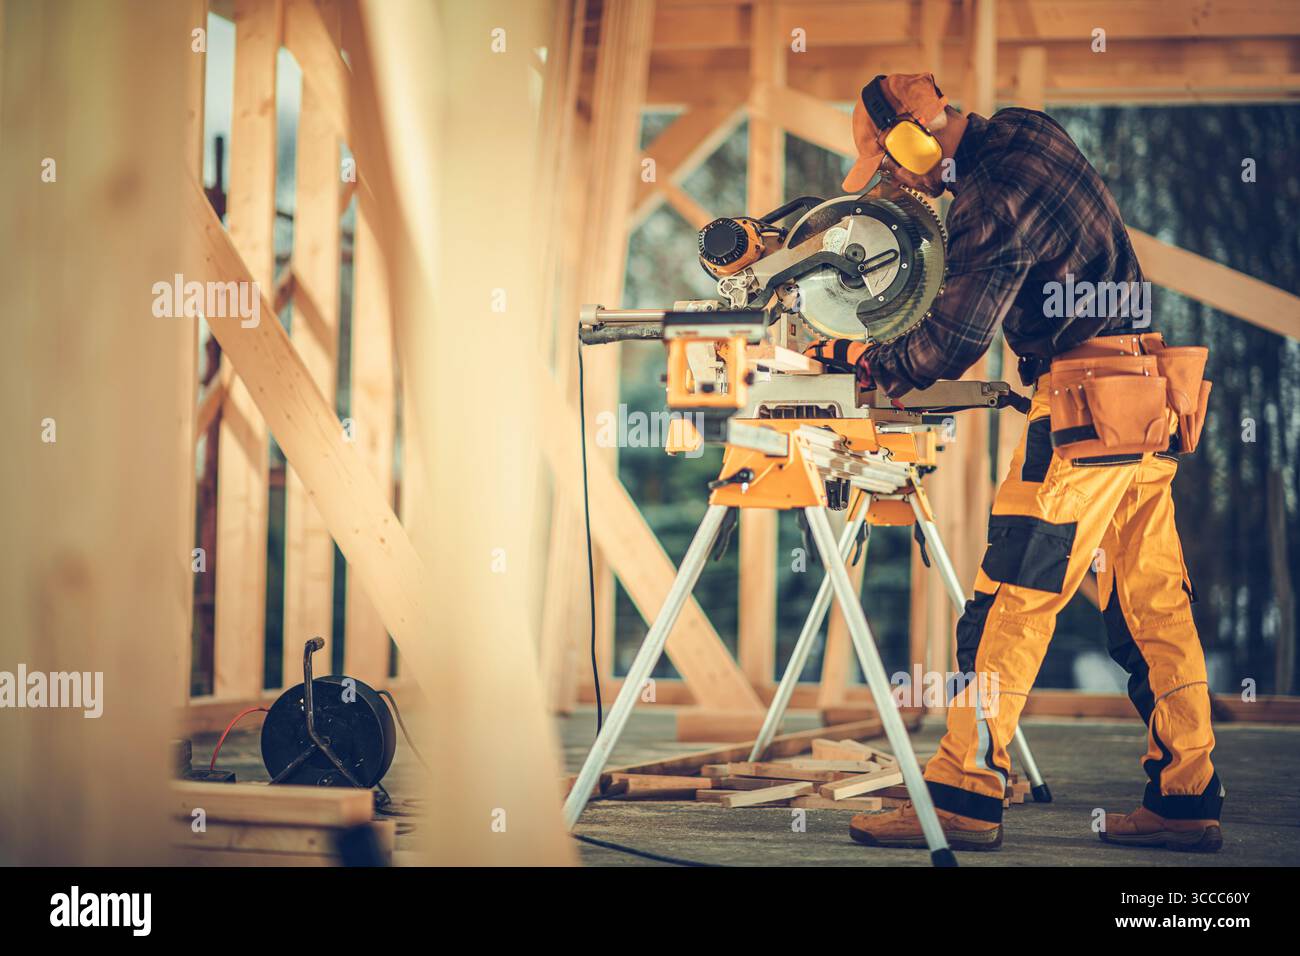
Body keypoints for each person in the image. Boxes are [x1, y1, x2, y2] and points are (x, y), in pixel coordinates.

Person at [806, 73, 1222, 853]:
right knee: (1153, 605)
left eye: (891, 168)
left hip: (1083, 411)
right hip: (1146, 399)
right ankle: (1185, 796)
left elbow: (951, 347)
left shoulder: (987, 201)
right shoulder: (1026, 131)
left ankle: (964, 792)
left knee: (1008, 604)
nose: (895, 187)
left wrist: (858, 354)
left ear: (913, 141)